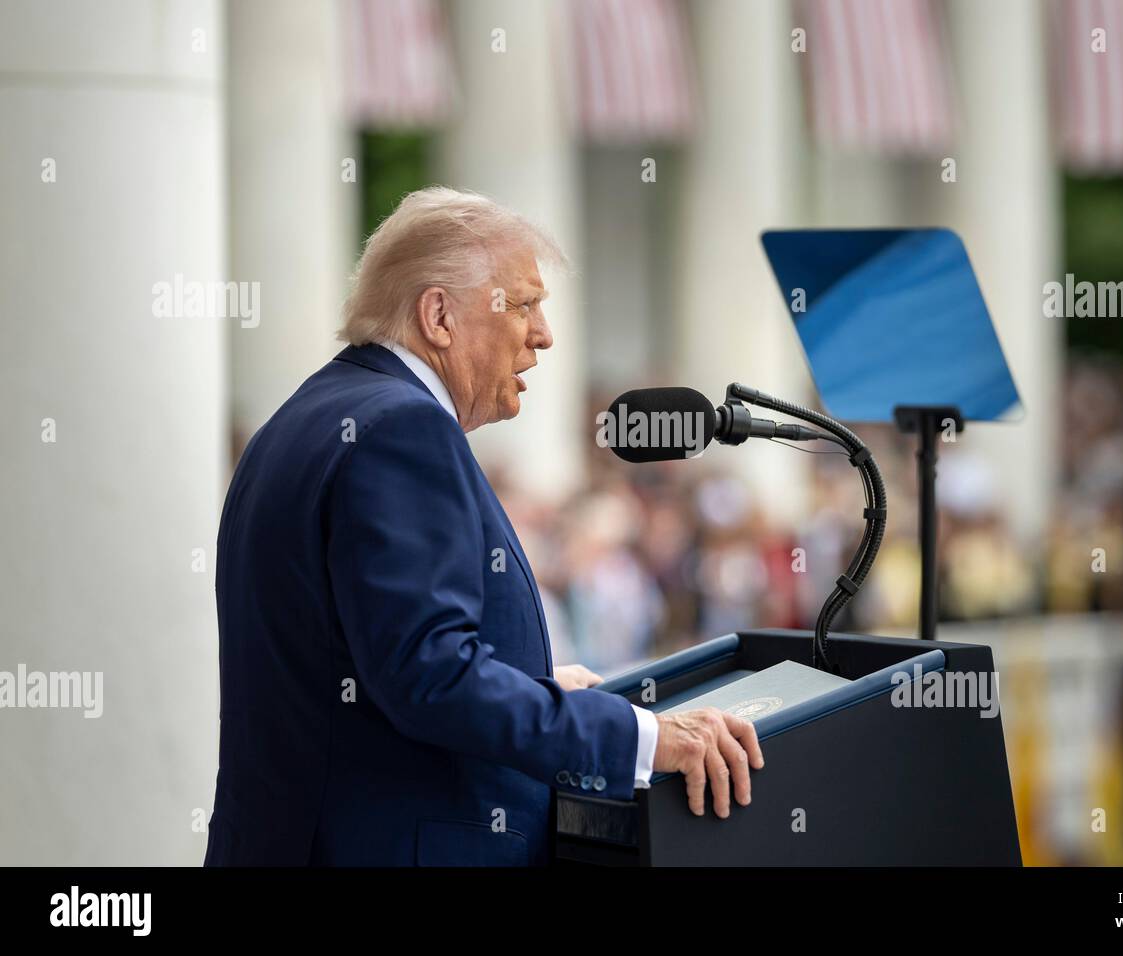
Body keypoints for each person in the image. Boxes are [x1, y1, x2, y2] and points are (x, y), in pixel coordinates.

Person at [204, 186, 762, 866]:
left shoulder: (303, 420)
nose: (544, 333)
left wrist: (533, 688)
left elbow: (369, 665)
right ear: (438, 315)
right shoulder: (402, 429)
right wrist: (640, 738)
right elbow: (430, 675)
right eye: (524, 304)